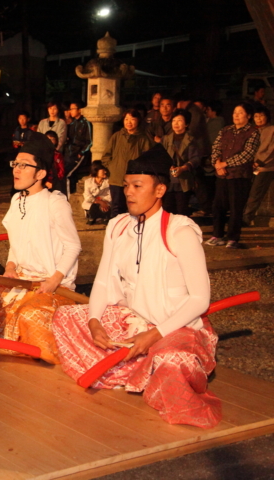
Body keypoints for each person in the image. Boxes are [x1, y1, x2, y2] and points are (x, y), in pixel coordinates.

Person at [53, 145, 220, 429]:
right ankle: (137, 367)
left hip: (175, 328)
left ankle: (143, 365)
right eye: (127, 185)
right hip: (133, 319)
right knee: (64, 317)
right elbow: (103, 280)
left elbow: (200, 300)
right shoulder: (118, 226)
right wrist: (94, 321)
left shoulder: (180, 231)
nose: (128, 192)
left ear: (160, 190)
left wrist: (154, 335)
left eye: (137, 186)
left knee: (173, 360)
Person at [0, 132, 81, 364]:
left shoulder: (55, 203)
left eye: (24, 165)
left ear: (40, 173)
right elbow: (16, 242)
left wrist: (54, 280)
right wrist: (10, 267)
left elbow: (73, 246)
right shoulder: (16, 200)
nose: (16, 170)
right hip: (21, 279)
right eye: (15, 164)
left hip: (52, 285)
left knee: (30, 315)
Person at [207, 102, 260, 249]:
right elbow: (216, 147)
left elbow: (247, 154)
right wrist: (217, 163)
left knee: (236, 208)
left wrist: (226, 164)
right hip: (222, 175)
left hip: (239, 176)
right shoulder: (226, 130)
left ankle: (232, 238)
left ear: (248, 116)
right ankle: (217, 235)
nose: (236, 115)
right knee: (218, 206)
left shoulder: (253, 132)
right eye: (235, 112)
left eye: (240, 112)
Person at [100, 109, 154, 218]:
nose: (129, 122)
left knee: (133, 206)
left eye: (132, 119)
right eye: (126, 119)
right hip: (117, 178)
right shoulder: (117, 136)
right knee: (116, 207)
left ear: (138, 120)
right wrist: (112, 168)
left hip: (135, 179)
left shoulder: (143, 138)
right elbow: (106, 155)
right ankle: (115, 227)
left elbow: (149, 158)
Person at [162, 109, 201, 216]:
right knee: (167, 209)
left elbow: (195, 159)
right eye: (174, 120)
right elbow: (161, 156)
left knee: (182, 210)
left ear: (186, 124)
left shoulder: (191, 140)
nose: (176, 123)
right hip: (168, 180)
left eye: (179, 120)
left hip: (183, 180)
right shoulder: (166, 139)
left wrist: (183, 168)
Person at [243, 106, 274, 225]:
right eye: (256, 116)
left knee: (256, 193)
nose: (259, 118)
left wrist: (259, 162)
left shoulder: (272, 130)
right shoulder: (252, 130)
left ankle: (246, 218)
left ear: (267, 117)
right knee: (247, 192)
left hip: (266, 167)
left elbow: (271, 150)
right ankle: (242, 216)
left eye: (261, 116)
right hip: (249, 166)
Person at [64, 101, 93, 195]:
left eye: (73, 109)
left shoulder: (85, 123)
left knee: (69, 174)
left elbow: (89, 141)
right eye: (70, 109)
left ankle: (70, 195)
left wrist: (82, 152)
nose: (70, 111)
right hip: (70, 152)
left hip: (79, 153)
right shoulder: (72, 124)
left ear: (79, 110)